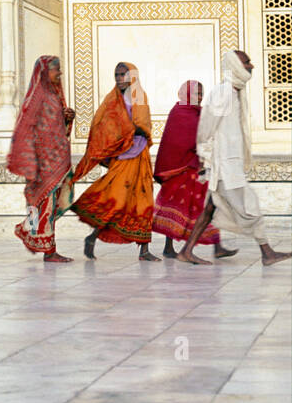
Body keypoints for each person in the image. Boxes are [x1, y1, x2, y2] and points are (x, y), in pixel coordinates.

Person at [178, 50, 291, 267]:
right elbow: (206, 127)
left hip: (230, 164)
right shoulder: (223, 93)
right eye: (246, 62)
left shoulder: (235, 91)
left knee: (210, 208)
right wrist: (205, 158)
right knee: (250, 206)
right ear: (235, 65)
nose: (251, 66)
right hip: (224, 166)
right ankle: (266, 252)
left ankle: (186, 250)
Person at [73, 61, 159, 261]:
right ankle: (93, 236)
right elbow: (101, 125)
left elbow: (142, 125)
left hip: (138, 154)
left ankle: (144, 250)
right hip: (122, 156)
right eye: (117, 75)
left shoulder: (139, 95)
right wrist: (110, 144)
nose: (119, 78)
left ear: (132, 76)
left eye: (123, 74)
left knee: (144, 201)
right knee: (117, 199)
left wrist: (126, 130)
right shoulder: (111, 99)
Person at [152, 79, 236, 260]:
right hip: (180, 169)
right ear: (185, 94)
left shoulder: (199, 113)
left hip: (195, 168)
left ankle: (216, 246)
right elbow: (179, 141)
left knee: (206, 206)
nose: (198, 97)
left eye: (200, 93)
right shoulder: (179, 112)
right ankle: (170, 247)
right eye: (195, 93)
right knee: (180, 207)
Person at [7, 55, 75, 263]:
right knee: (42, 206)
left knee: (51, 206)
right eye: (55, 69)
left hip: (55, 161)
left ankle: (34, 236)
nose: (59, 73)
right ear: (45, 72)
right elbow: (25, 131)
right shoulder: (36, 98)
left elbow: (58, 131)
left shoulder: (55, 96)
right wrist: (30, 162)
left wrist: (67, 119)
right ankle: (46, 248)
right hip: (40, 164)